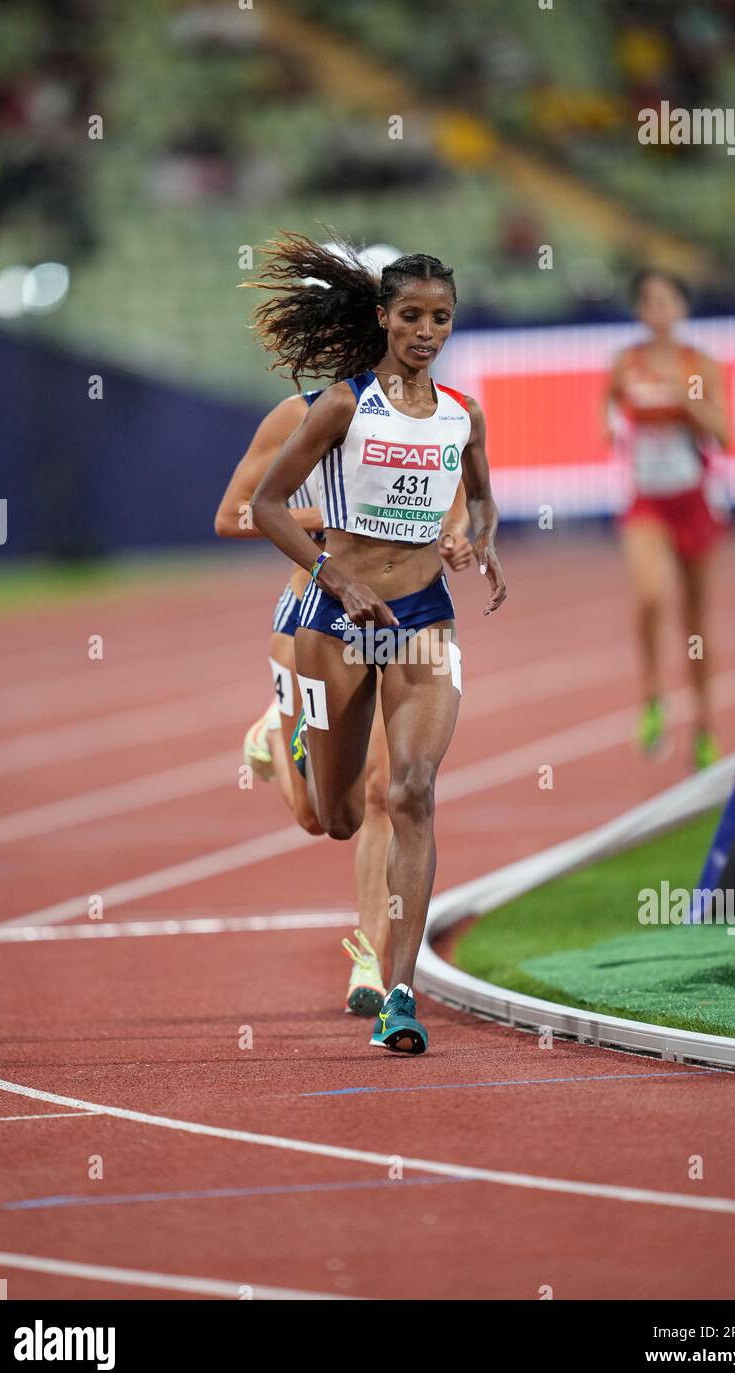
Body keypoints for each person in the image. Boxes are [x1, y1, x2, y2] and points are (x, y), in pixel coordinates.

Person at [246, 235, 506, 1054]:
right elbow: (265, 505)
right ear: (384, 318)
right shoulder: (341, 406)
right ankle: (283, 732)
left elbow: (485, 498)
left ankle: (400, 992)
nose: (427, 331)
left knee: (413, 793)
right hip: (337, 623)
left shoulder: (465, 412)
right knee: (337, 816)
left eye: (442, 318)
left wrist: (481, 540)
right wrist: (334, 576)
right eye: (412, 316)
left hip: (424, 619)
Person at [214, 340, 474, 1018]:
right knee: (322, 817)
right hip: (313, 613)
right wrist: (333, 520)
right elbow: (234, 513)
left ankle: (373, 958)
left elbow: (455, 503)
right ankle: (278, 731)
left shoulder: (429, 419)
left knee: (393, 792)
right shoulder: (300, 414)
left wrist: (457, 533)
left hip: (402, 618)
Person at [608, 269, 730, 771]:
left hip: (693, 501)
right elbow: (607, 416)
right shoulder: (626, 363)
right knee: (651, 595)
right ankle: (654, 696)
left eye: (666, 301)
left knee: (696, 619)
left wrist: (687, 402)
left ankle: (702, 724)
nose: (657, 310)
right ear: (640, 311)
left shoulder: (699, 364)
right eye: (649, 301)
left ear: (682, 308)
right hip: (648, 503)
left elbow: (726, 434)